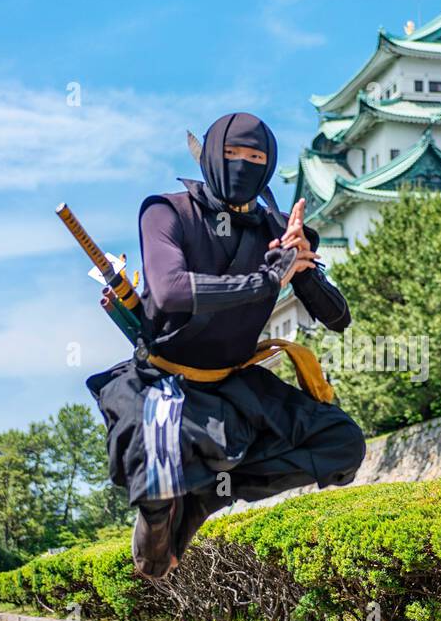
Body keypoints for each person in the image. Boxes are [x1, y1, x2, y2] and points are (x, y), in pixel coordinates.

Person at [86, 112, 366, 580]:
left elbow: (338, 317)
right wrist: (266, 278)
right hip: (163, 380)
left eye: (255, 157)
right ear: (212, 157)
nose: (242, 165)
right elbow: (172, 289)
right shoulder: (167, 210)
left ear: (269, 165)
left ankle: (206, 495)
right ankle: (158, 517)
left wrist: (301, 266)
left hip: (234, 385)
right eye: (232, 154)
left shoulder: (272, 231)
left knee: (342, 444)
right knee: (155, 478)